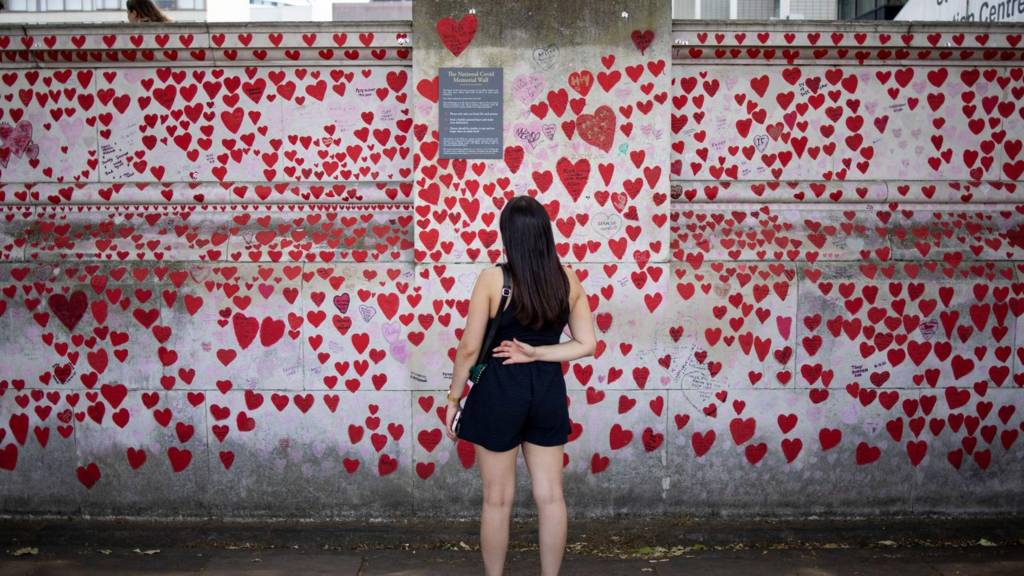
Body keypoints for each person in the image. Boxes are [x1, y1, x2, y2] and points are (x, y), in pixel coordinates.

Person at [445, 194, 597, 576]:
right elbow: (587, 344)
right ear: (545, 234)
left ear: (508, 236)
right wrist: (538, 353)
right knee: (551, 496)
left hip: (500, 390)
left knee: (497, 499)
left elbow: (468, 348)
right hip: (547, 391)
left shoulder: (493, 279)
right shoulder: (568, 279)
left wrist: (453, 398)